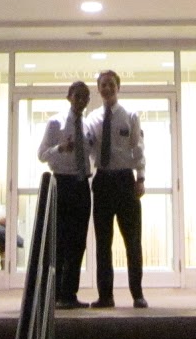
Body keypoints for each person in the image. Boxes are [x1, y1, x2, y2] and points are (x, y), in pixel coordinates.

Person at [85, 69, 146, 308]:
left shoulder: (130, 115)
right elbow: (88, 146)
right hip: (103, 182)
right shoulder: (92, 118)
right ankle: (105, 296)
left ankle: (137, 294)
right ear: (98, 89)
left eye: (111, 84)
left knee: (132, 240)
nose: (107, 89)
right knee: (103, 242)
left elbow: (138, 148)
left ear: (118, 87)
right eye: (103, 85)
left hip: (124, 181)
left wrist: (140, 178)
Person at [37, 79, 93, 308]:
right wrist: (60, 148)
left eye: (85, 96)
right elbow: (41, 154)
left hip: (82, 185)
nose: (80, 100)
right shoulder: (56, 123)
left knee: (78, 241)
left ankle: (70, 294)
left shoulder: (88, 125)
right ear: (69, 97)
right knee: (59, 240)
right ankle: (55, 294)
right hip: (62, 184)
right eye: (77, 95)